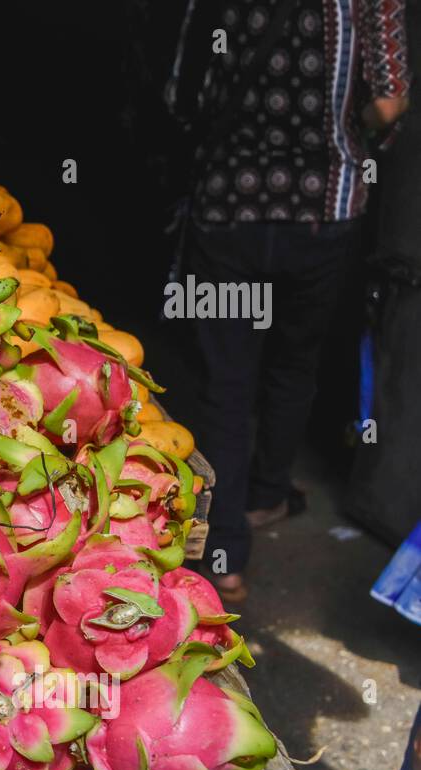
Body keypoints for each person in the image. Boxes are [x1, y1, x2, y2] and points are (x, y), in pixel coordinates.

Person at [166, 0, 409, 602]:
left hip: (229, 210)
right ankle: (266, 495)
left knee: (224, 381)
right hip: (323, 215)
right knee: (295, 362)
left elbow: (182, 96)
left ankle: (222, 556)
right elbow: (386, 104)